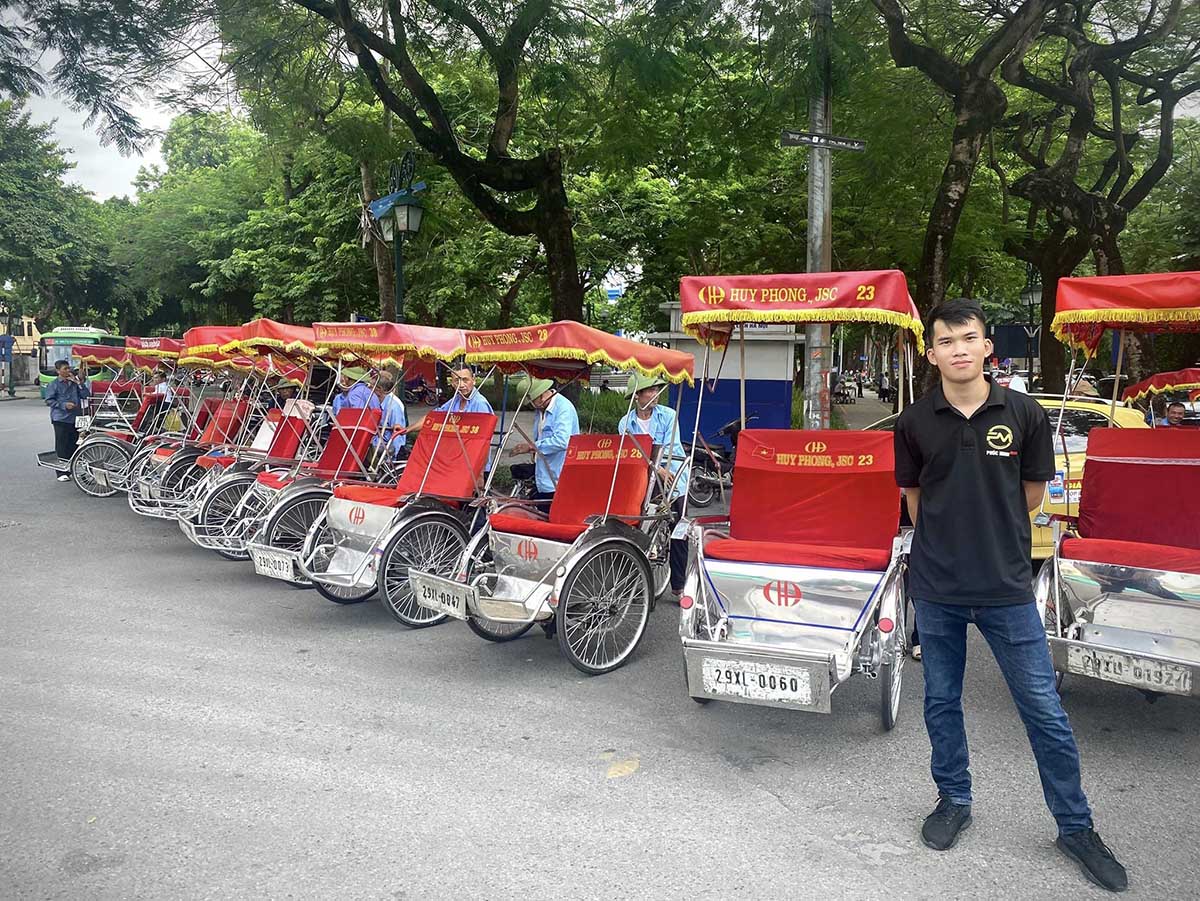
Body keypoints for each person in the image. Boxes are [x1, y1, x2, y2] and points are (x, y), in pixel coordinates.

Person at [894, 297, 1126, 892]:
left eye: (968, 338)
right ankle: (954, 799)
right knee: (941, 701)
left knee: (1044, 710)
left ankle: (1075, 827)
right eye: (946, 341)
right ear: (931, 353)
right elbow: (916, 503)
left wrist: (987, 529)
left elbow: (1031, 496)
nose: (959, 350)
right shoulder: (913, 422)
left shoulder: (1024, 414)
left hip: (1006, 586)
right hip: (937, 587)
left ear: (987, 346)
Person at [618, 373, 689, 601]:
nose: (655, 394)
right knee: (631, 525)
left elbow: (671, 447)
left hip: (672, 476)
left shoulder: (668, 415)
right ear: (637, 395)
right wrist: (653, 468)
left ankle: (679, 585)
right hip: (641, 478)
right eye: (650, 390)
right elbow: (628, 454)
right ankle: (631, 579)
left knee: (679, 529)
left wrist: (660, 468)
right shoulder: (625, 422)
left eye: (657, 389)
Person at [512, 378, 579, 501]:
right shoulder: (541, 410)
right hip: (544, 477)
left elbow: (562, 441)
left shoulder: (563, 408)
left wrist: (532, 447)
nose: (532, 407)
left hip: (559, 477)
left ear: (541, 397)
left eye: (532, 402)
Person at [404, 367, 494, 434]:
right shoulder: (454, 401)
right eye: (457, 381)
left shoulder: (480, 403)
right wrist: (408, 429)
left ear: (473, 380)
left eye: (465, 380)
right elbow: (433, 417)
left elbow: (484, 435)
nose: (461, 385)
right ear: (452, 383)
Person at [45, 359, 90, 481]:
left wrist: (79, 383)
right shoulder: (54, 384)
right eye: (65, 369)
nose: (68, 371)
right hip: (60, 418)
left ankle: (72, 468)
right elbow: (49, 400)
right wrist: (64, 405)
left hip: (75, 418)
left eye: (68, 368)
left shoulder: (74, 383)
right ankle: (61, 472)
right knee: (62, 445)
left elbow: (86, 395)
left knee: (74, 444)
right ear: (58, 371)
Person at [374, 371, 408, 460]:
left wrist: (391, 459)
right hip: (377, 447)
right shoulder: (377, 402)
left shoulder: (393, 407)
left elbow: (397, 434)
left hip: (387, 452)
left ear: (379, 389)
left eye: (371, 386)